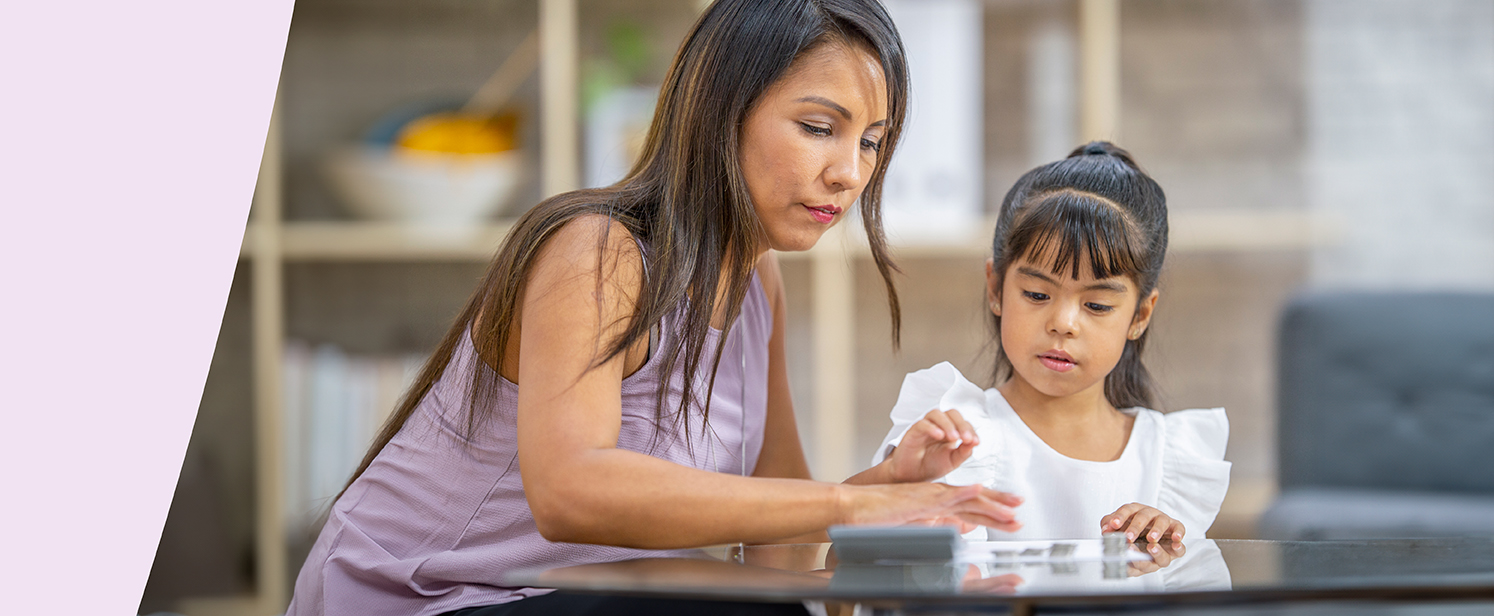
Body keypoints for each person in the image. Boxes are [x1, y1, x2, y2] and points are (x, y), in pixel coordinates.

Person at [286, 2, 1022, 615]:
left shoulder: (759, 286)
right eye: (819, 128)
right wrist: (847, 506)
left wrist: (885, 491)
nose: (850, 172)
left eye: (871, 142)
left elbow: (779, 556)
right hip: (427, 600)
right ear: (719, 110)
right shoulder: (598, 251)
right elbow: (569, 490)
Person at [873, 142, 1231, 554]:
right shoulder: (953, 440)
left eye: (1096, 305)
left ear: (1140, 315)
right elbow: (847, 566)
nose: (1063, 323)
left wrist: (1165, 555)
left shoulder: (1169, 459)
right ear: (996, 288)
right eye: (1037, 294)